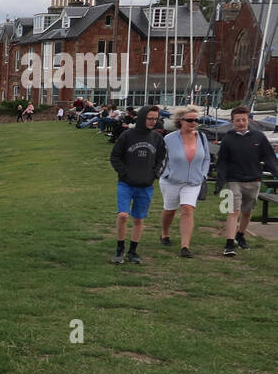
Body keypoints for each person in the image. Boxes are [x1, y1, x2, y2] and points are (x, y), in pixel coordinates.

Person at [214, 104, 278, 256]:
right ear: (232, 122)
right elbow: (222, 162)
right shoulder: (228, 139)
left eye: (243, 120)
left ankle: (240, 235)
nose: (241, 123)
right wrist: (220, 182)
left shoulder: (259, 137)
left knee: (247, 212)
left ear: (249, 120)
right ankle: (229, 244)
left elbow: (269, 157)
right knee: (233, 211)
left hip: (254, 179)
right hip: (234, 180)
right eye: (237, 121)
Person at [109, 105, 167, 264]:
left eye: (156, 119)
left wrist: (154, 175)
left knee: (139, 219)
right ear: (142, 118)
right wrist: (124, 173)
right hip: (126, 184)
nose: (153, 122)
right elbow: (115, 157)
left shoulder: (157, 138)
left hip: (146, 185)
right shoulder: (127, 135)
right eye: (150, 118)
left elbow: (162, 159)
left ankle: (133, 251)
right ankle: (119, 248)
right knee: (122, 215)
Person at [158, 106, 211, 258]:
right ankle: (165, 234)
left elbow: (206, 157)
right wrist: (167, 173)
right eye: (190, 120)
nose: (193, 123)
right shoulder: (169, 138)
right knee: (170, 210)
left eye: (196, 120)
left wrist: (203, 174)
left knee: (188, 209)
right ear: (180, 121)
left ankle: (185, 246)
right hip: (171, 181)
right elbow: (162, 159)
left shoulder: (202, 137)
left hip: (194, 181)